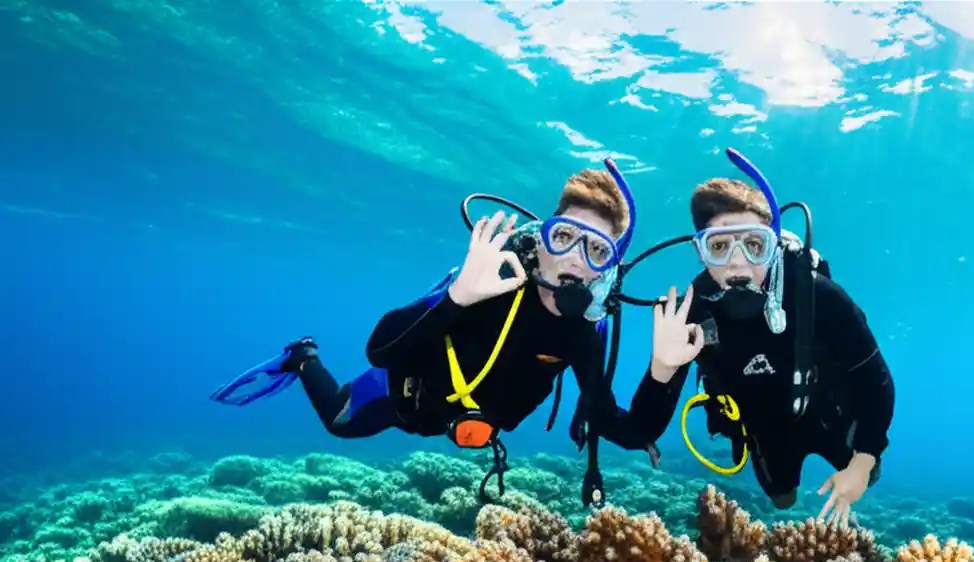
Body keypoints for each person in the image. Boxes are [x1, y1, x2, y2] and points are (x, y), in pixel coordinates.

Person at [211, 161, 691, 502]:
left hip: (476, 424)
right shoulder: (491, 285)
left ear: (606, 272)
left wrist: (664, 374)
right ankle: (303, 357)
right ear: (541, 240)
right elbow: (379, 348)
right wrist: (458, 297)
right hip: (409, 397)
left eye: (597, 251)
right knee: (339, 423)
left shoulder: (585, 333)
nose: (572, 258)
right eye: (563, 237)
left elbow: (616, 424)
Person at [643, 150, 895, 529]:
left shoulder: (819, 296)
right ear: (701, 251)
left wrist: (864, 459)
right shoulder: (692, 315)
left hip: (827, 413)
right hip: (764, 429)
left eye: (754, 245)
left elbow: (877, 382)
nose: (737, 262)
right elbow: (643, 426)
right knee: (781, 499)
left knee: (868, 474)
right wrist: (660, 370)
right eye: (719, 246)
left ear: (773, 245)